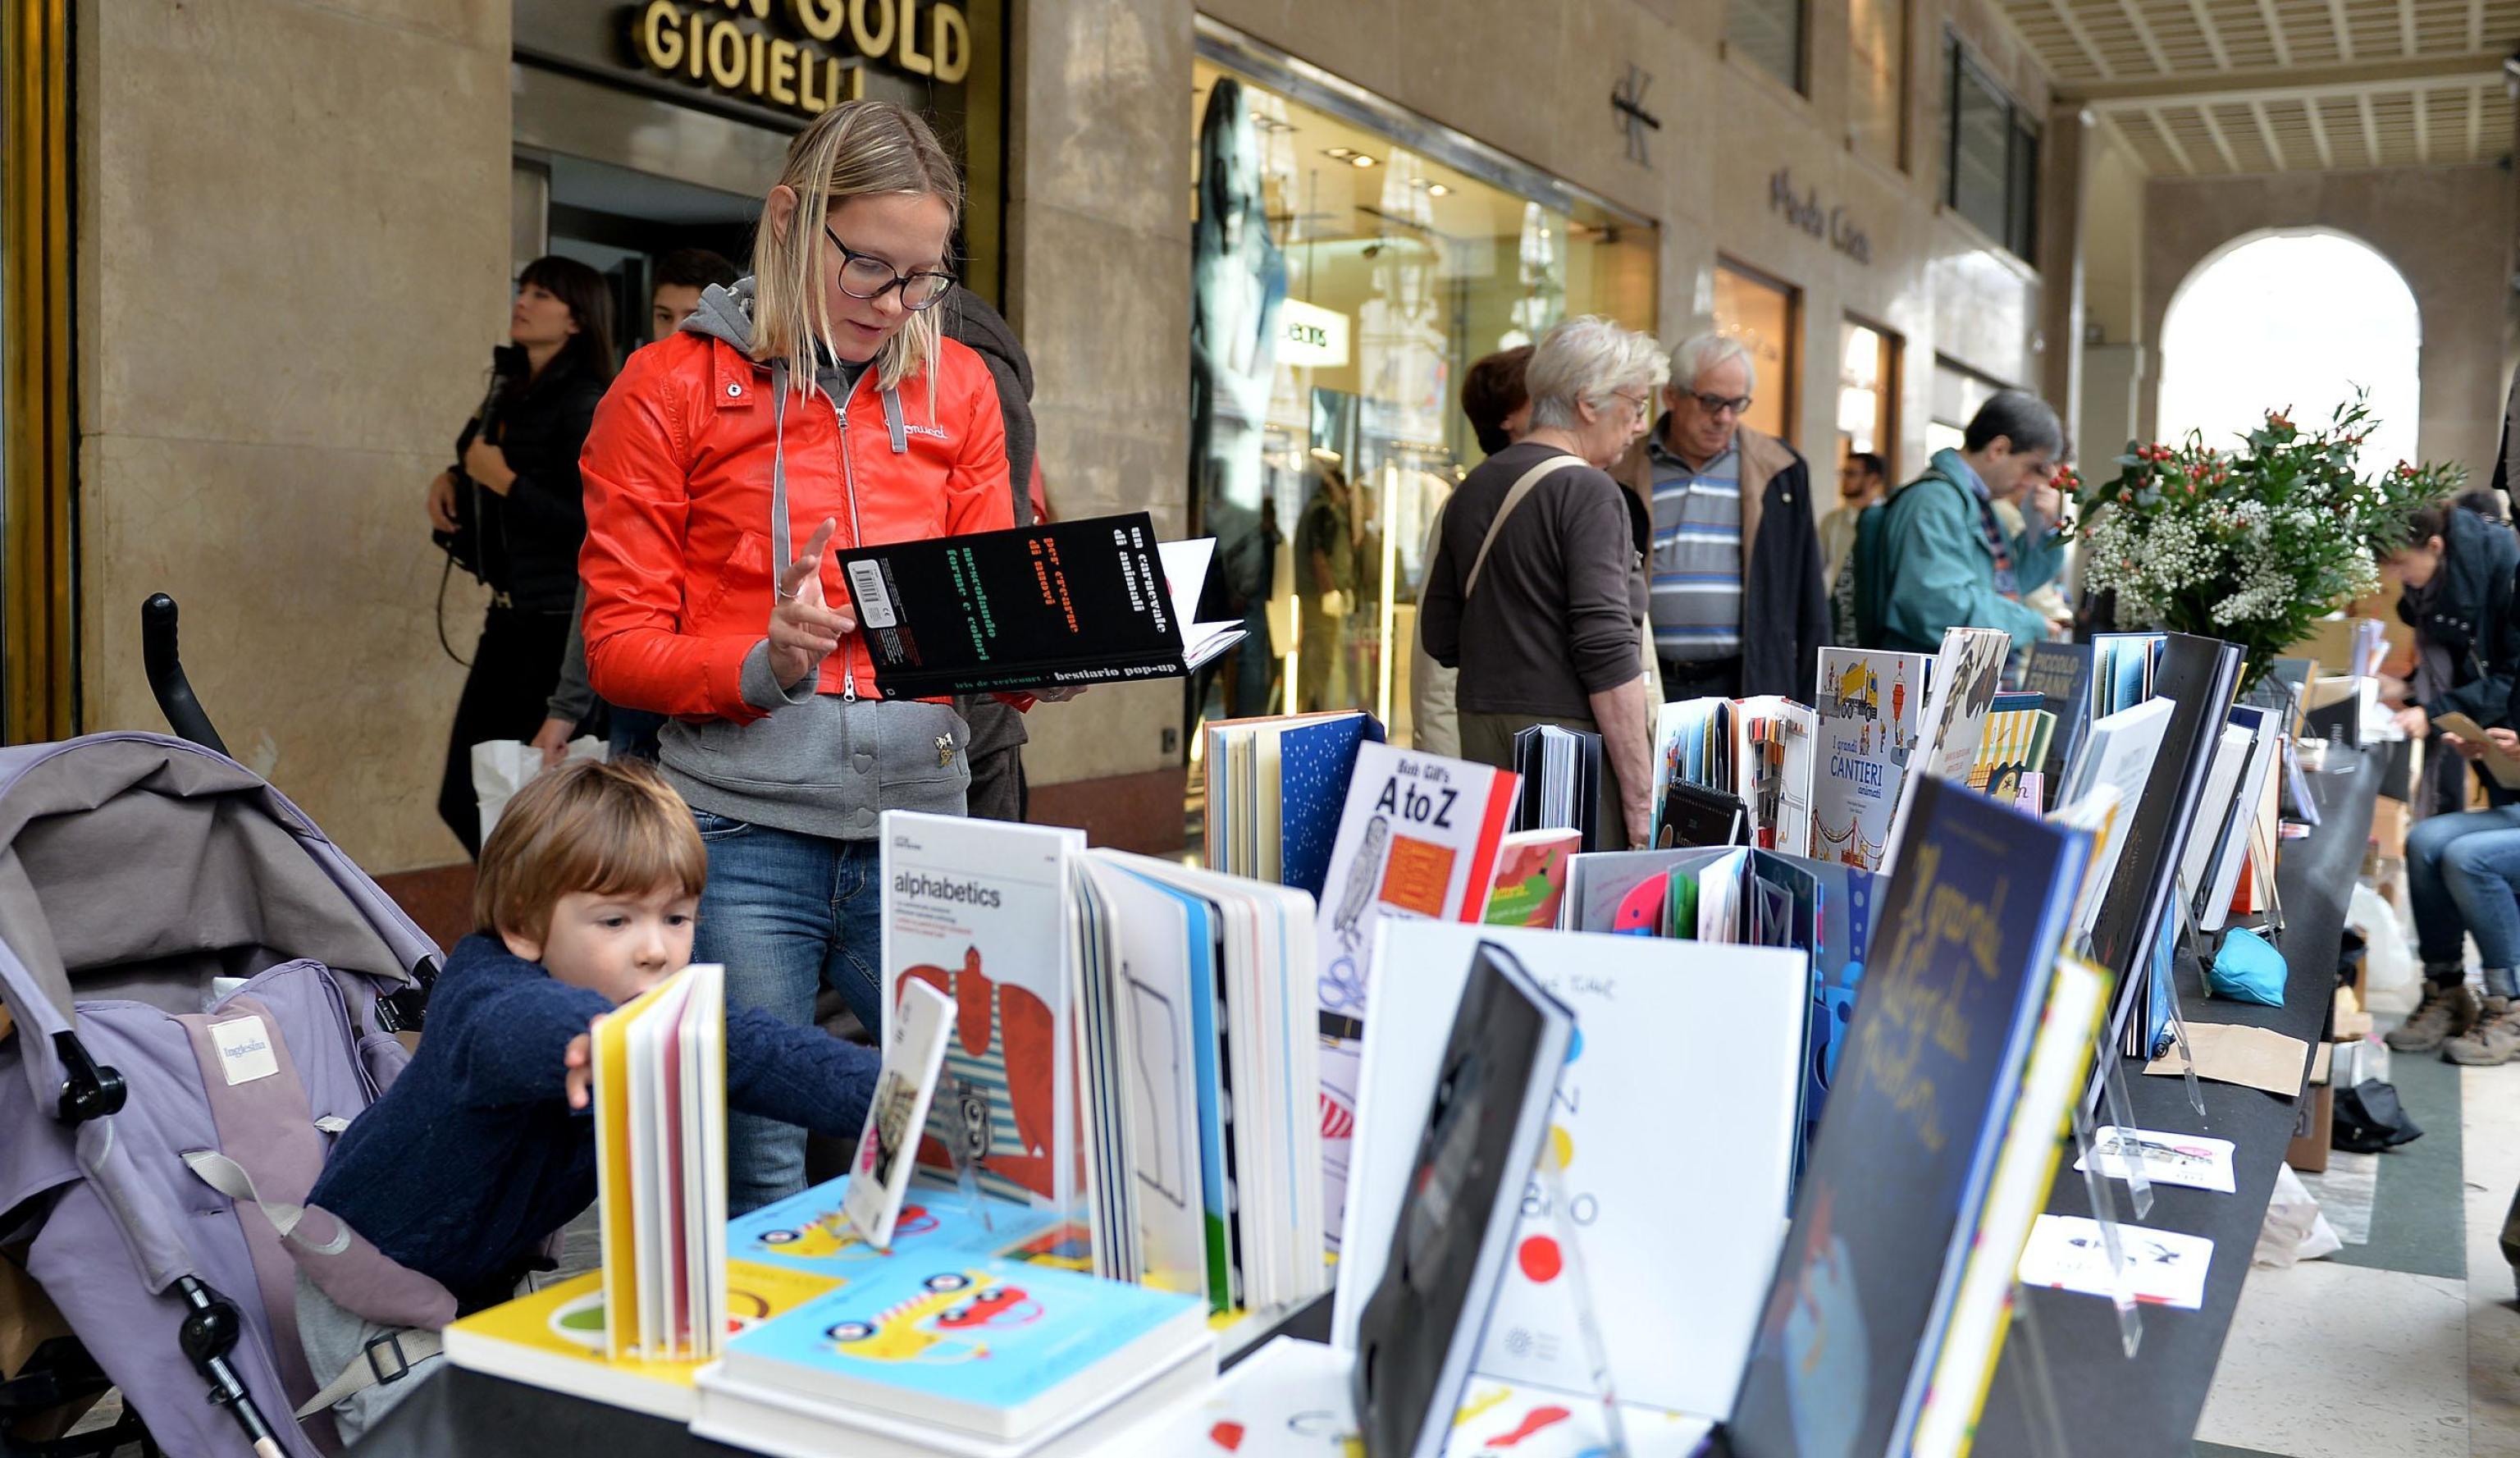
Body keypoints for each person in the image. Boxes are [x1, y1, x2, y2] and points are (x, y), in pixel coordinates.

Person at [578, 99, 1053, 1211]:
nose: (897, 305)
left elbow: (990, 606)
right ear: (791, 219)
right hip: (743, 835)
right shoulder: (668, 388)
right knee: (763, 1168)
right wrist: (765, 661)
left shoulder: (960, 389)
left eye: (924, 277)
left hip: (925, 825)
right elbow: (618, 644)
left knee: (965, 1136)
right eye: (872, 268)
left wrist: (1056, 638)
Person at [297, 760, 878, 1439]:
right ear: (524, 923)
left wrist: (901, 1097)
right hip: (373, 1294)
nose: (656, 949)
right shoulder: (485, 993)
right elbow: (517, 1027)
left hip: (481, 1280)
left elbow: (758, 1050)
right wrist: (592, 1039)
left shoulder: (649, 1012)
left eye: (677, 916)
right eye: (615, 920)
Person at [1420, 315, 1663, 849]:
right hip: (1570, 749)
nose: (1641, 424)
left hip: (1482, 734)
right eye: (1637, 404)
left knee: (1507, 907)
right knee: (1573, 910)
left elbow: (1439, 634)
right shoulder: (1592, 492)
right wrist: (1641, 796)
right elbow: (1605, 647)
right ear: (1588, 401)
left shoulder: (1474, 485)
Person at [429, 256, 614, 857]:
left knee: (543, 802)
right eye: (523, 289)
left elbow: (596, 526)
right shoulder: (510, 385)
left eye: (542, 294)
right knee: (467, 793)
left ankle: (535, 926)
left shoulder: (586, 402)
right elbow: (478, 460)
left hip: (559, 625)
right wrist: (455, 478)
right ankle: (521, 919)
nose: (523, 301)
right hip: (509, 616)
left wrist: (504, 481)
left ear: (577, 319)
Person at [537, 249, 744, 768]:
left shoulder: (753, 406)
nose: (678, 331)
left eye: (692, 314)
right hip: (643, 675)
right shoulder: (637, 402)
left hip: (726, 679)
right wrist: (566, 707)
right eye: (663, 316)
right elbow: (607, 568)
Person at [1610, 333, 1828, 702]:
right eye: (1711, 402)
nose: (1724, 418)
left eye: (1736, 404)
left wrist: (1814, 698)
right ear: (1672, 395)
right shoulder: (1622, 468)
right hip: (1650, 682)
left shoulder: (1780, 469)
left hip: (1746, 681)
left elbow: (1809, 593)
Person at [1865, 390, 2066, 656]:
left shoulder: (1976, 503)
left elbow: (2012, 585)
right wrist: (2029, 623)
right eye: (2031, 467)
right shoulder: (1934, 501)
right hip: (1930, 684)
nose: (2031, 482)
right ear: (1998, 449)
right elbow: (1936, 606)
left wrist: (2046, 528)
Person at [1411, 346, 1532, 756]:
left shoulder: (1572, 490)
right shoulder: (1473, 500)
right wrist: (1444, 761)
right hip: (1501, 745)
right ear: (1509, 418)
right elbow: (1438, 666)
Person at [2379, 501, 2520, 819]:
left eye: (2401, 564)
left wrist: (2431, 713)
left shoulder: (2499, 573)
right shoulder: (2438, 591)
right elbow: (2455, 666)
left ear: (2435, 546)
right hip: (2488, 741)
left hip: (2508, 741)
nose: (2394, 576)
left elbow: (2508, 677)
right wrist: (2408, 687)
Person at [1820, 450, 1887, 643]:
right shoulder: (1832, 521)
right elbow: (1816, 567)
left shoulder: (1887, 519)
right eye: (1843, 473)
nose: (1844, 480)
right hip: (1841, 614)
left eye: (1851, 474)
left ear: (1872, 479)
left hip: (1874, 617)